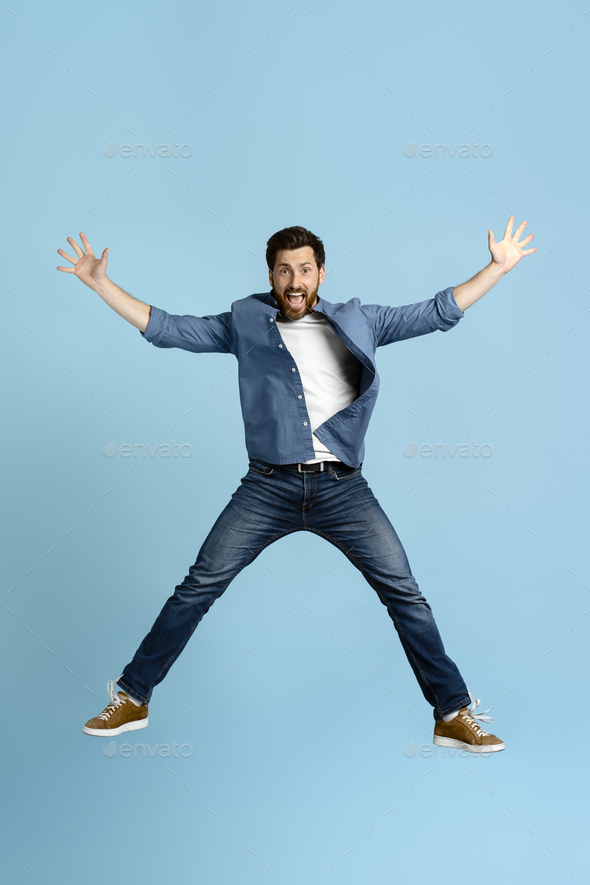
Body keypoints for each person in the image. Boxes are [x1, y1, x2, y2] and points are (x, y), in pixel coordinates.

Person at [57, 219, 535, 753]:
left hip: (343, 488)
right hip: (267, 487)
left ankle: (451, 713)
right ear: (271, 276)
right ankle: (132, 696)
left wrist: (496, 269)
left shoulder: (361, 320)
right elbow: (169, 328)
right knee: (198, 586)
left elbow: (436, 311)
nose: (294, 280)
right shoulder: (245, 322)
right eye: (284, 271)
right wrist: (100, 284)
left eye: (304, 269)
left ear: (321, 274)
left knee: (405, 594)